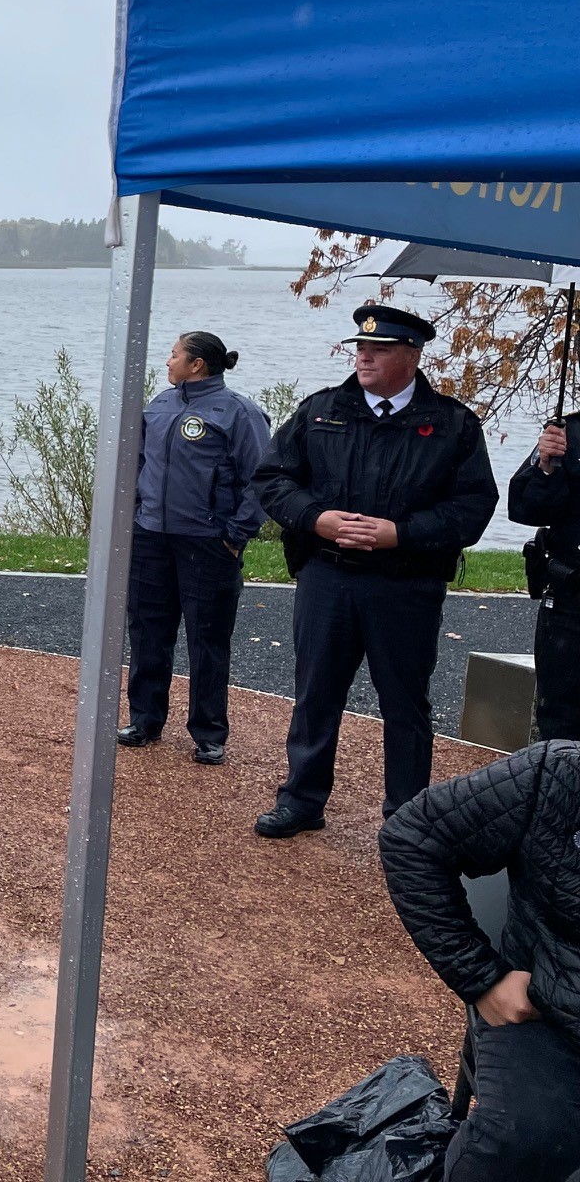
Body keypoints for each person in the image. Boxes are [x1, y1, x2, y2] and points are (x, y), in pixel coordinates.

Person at [251, 305, 498, 837]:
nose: (363, 356)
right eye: (360, 348)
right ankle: (302, 800)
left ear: (412, 356)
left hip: (406, 583)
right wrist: (315, 519)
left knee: (405, 703)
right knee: (316, 693)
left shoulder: (453, 424)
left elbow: (474, 506)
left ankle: (407, 816)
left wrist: (400, 533)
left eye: (379, 349)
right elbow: (271, 479)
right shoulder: (319, 412)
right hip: (328, 578)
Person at [378, 741, 580, 1181]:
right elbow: (413, 838)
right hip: (553, 1013)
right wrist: (482, 978)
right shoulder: (561, 772)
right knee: (516, 1140)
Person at [117, 331, 271, 765]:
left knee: (207, 639)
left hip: (208, 543)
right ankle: (145, 720)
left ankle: (208, 733)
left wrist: (236, 534)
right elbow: (137, 464)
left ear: (197, 364)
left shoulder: (238, 412)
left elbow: (261, 478)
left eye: (174, 355)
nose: (168, 361)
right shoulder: (159, 405)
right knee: (147, 632)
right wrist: (134, 516)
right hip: (151, 537)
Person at [505, 415, 580, 742]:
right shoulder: (569, 432)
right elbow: (524, 508)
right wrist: (546, 468)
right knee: (560, 722)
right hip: (569, 605)